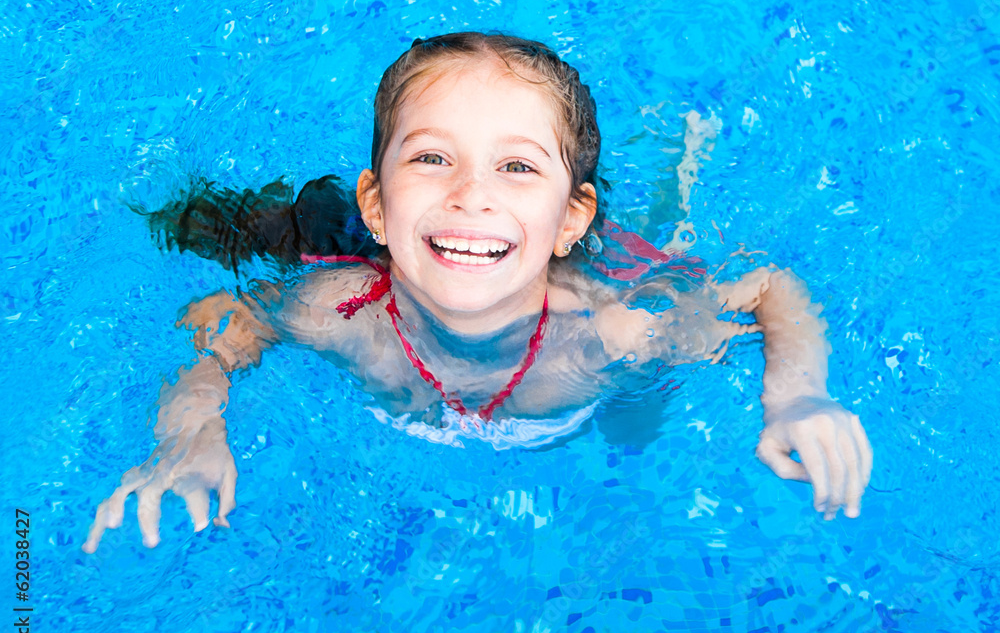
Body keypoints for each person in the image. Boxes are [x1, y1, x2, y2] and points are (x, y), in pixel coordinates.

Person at [83, 32, 872, 553]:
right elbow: (227, 323)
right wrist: (189, 426)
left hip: (590, 283)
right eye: (432, 159)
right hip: (381, 260)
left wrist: (797, 398)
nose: (470, 194)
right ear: (378, 203)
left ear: (569, 218)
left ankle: (673, 156)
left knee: (640, 411)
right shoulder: (340, 311)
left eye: (516, 166)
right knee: (211, 228)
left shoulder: (611, 335)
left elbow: (768, 289)